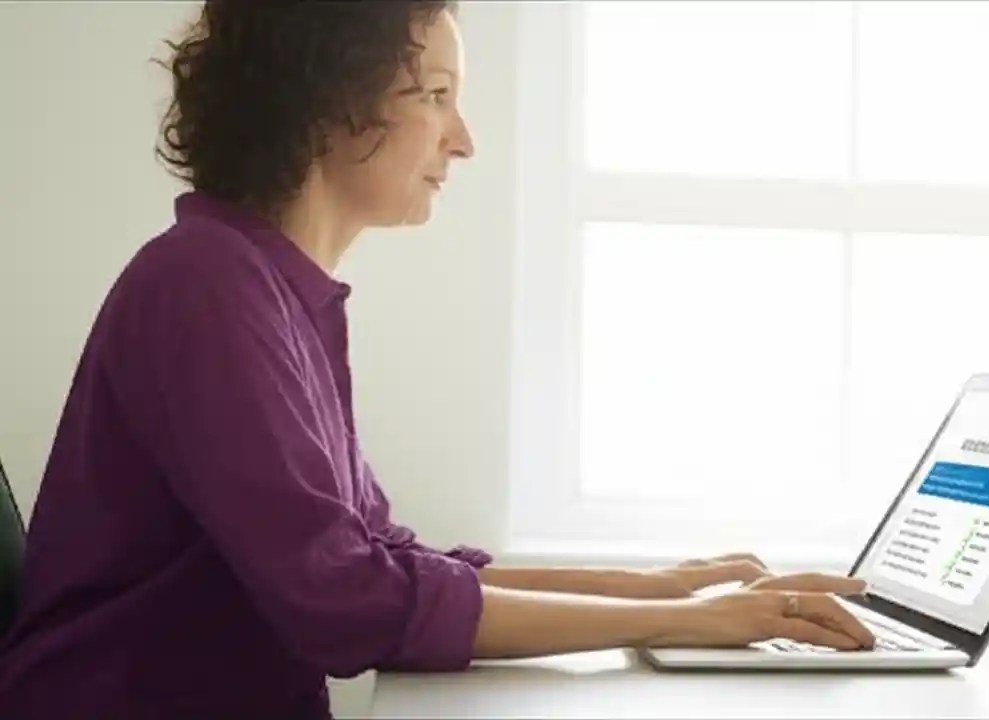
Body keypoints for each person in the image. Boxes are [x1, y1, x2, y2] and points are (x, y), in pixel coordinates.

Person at [0, 2, 873, 717]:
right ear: (328, 102)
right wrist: (692, 624)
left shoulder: (269, 290)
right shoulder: (204, 285)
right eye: (437, 94)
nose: (463, 140)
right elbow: (348, 604)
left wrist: (668, 592)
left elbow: (381, 558)